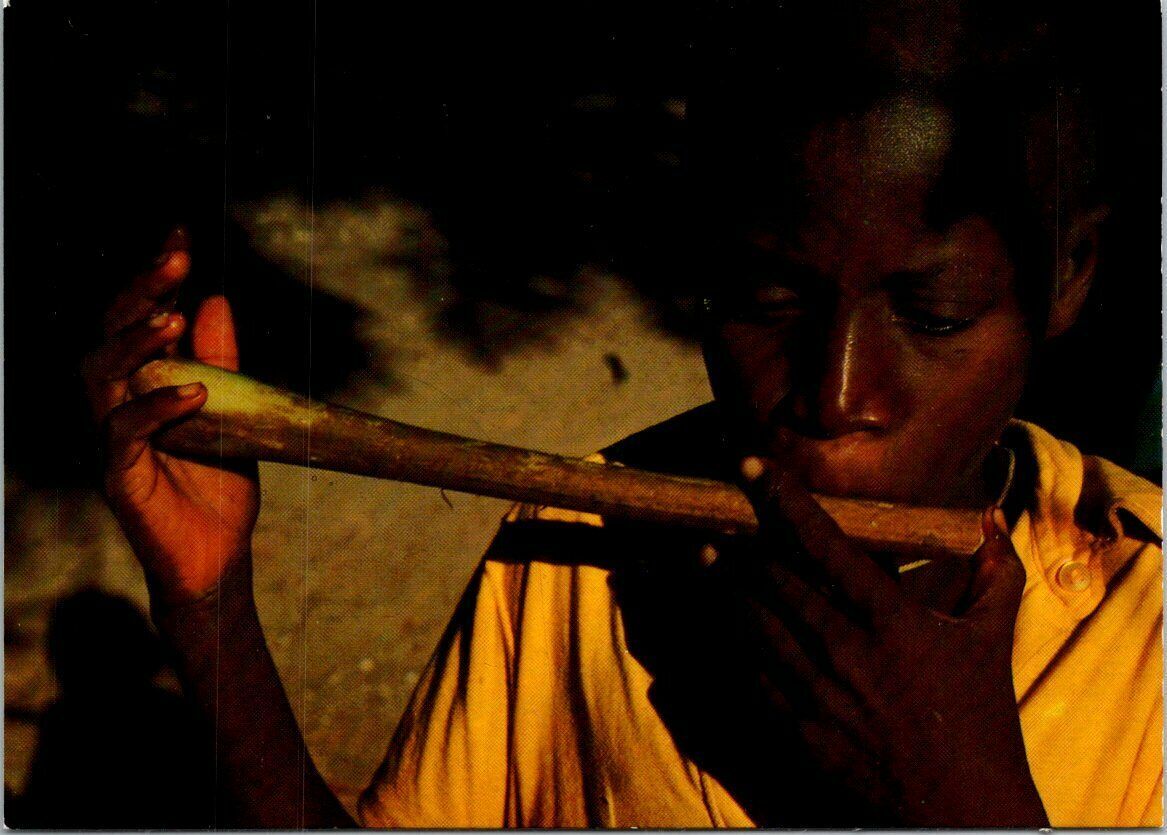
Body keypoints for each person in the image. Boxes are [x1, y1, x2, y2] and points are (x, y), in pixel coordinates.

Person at [81, 0, 1161, 827]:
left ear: (1068, 275)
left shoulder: (1148, 632)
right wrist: (211, 611)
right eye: (765, 299)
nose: (835, 398)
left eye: (932, 316)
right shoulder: (579, 558)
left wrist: (964, 802)